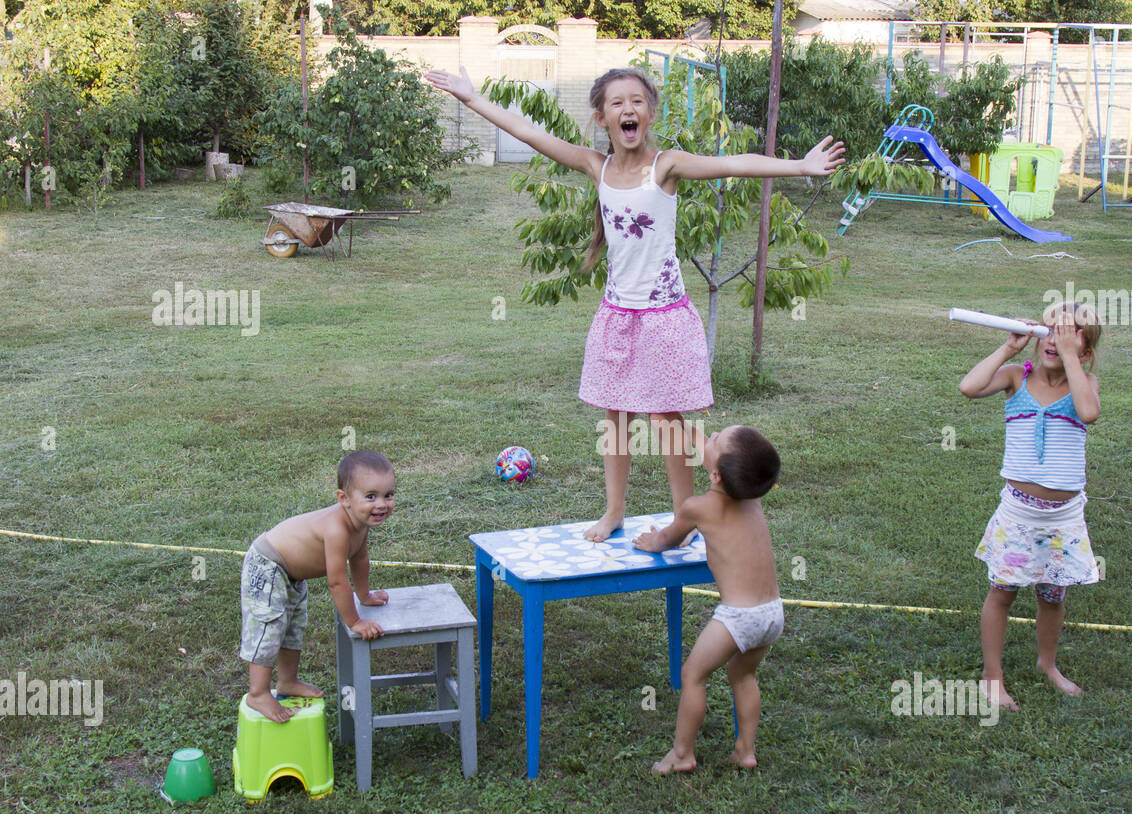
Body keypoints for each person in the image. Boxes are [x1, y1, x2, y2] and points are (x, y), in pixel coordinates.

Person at [425, 65, 843, 541]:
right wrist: (471, 98)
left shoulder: (666, 166)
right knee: (616, 417)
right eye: (618, 103)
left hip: (665, 317)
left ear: (650, 112)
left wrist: (801, 166)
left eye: (638, 101)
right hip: (618, 315)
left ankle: (684, 518)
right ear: (602, 118)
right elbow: (529, 131)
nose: (629, 109)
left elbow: (733, 163)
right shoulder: (595, 166)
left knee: (668, 422)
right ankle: (615, 511)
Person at [958, 302, 1102, 711]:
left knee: (1052, 596)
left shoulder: (1084, 383)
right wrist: (1008, 348)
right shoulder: (1015, 377)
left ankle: (1047, 663)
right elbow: (968, 387)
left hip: (1063, 518)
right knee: (1001, 592)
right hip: (1018, 514)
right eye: (1052, 330)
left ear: (1085, 352)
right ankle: (992, 677)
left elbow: (1089, 413)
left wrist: (1071, 357)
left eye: (1069, 335)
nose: (1055, 339)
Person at [634, 425, 783, 773]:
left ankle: (683, 753)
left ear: (716, 474)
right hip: (772, 613)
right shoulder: (751, 496)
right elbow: (720, 458)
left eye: (716, 438)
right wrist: (683, 426)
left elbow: (668, 539)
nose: (711, 434)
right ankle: (745, 750)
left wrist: (652, 541)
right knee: (743, 676)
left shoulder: (697, 507)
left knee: (694, 675)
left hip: (738, 617)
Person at [239, 451, 395, 721]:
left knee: (293, 625)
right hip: (268, 565)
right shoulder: (336, 529)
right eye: (370, 496)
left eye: (388, 495)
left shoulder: (360, 523)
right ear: (343, 499)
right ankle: (258, 693)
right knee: (269, 626)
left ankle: (287, 681)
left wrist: (364, 595)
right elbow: (336, 580)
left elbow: (359, 558)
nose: (381, 504)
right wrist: (355, 621)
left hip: (290, 573)